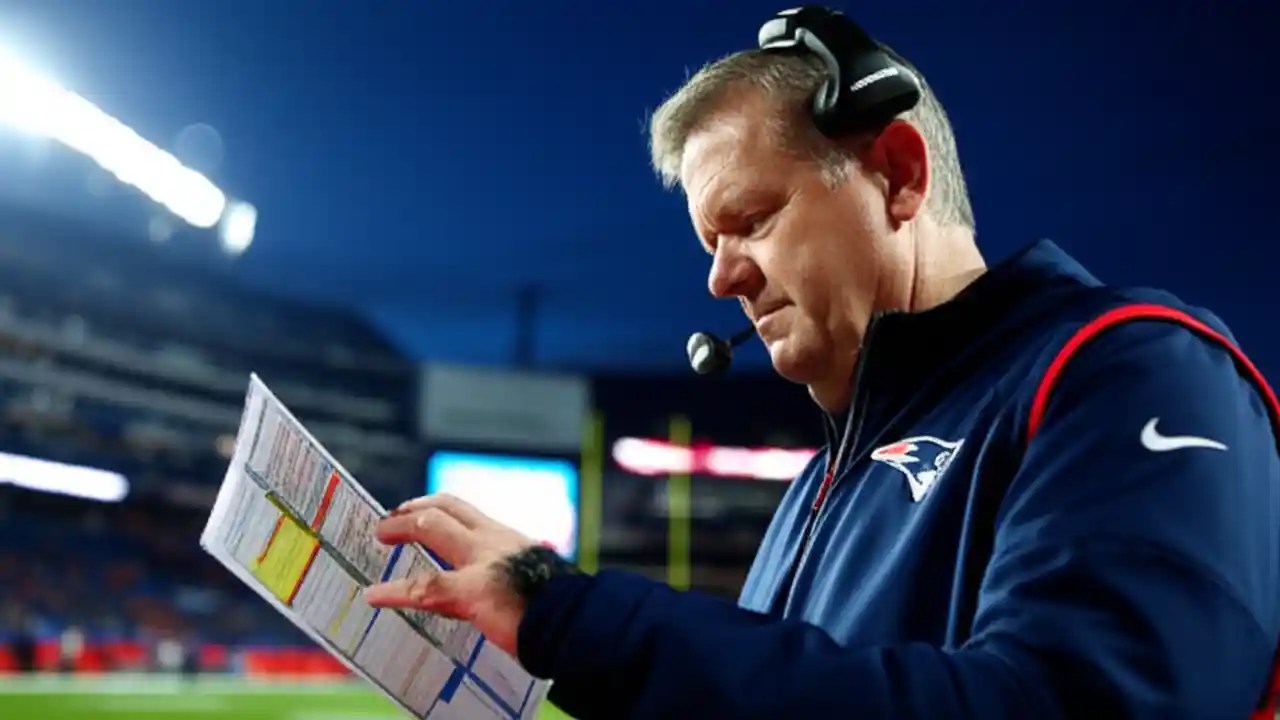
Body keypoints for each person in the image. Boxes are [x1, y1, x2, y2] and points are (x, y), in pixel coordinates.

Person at [364, 7, 1280, 718]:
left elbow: (1068, 707)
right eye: (707, 243)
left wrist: (573, 618)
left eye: (751, 220)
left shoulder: (1132, 371)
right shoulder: (816, 488)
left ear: (898, 172)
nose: (721, 277)